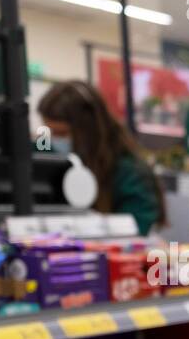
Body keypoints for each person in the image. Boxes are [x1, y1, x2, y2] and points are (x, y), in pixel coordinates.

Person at [37, 81, 166, 234]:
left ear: (89, 130)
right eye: (47, 131)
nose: (53, 140)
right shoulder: (52, 161)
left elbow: (135, 231)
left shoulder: (129, 173)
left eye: (62, 133)